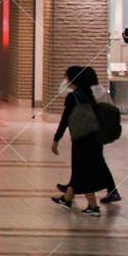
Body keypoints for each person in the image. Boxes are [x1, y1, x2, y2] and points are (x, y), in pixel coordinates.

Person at [50, 66, 110, 215]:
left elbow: (65, 120)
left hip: (81, 138)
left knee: (82, 170)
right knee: (79, 169)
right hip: (94, 137)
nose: (65, 79)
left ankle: (93, 206)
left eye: (67, 76)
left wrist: (56, 139)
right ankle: (67, 199)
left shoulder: (74, 96)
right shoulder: (90, 94)